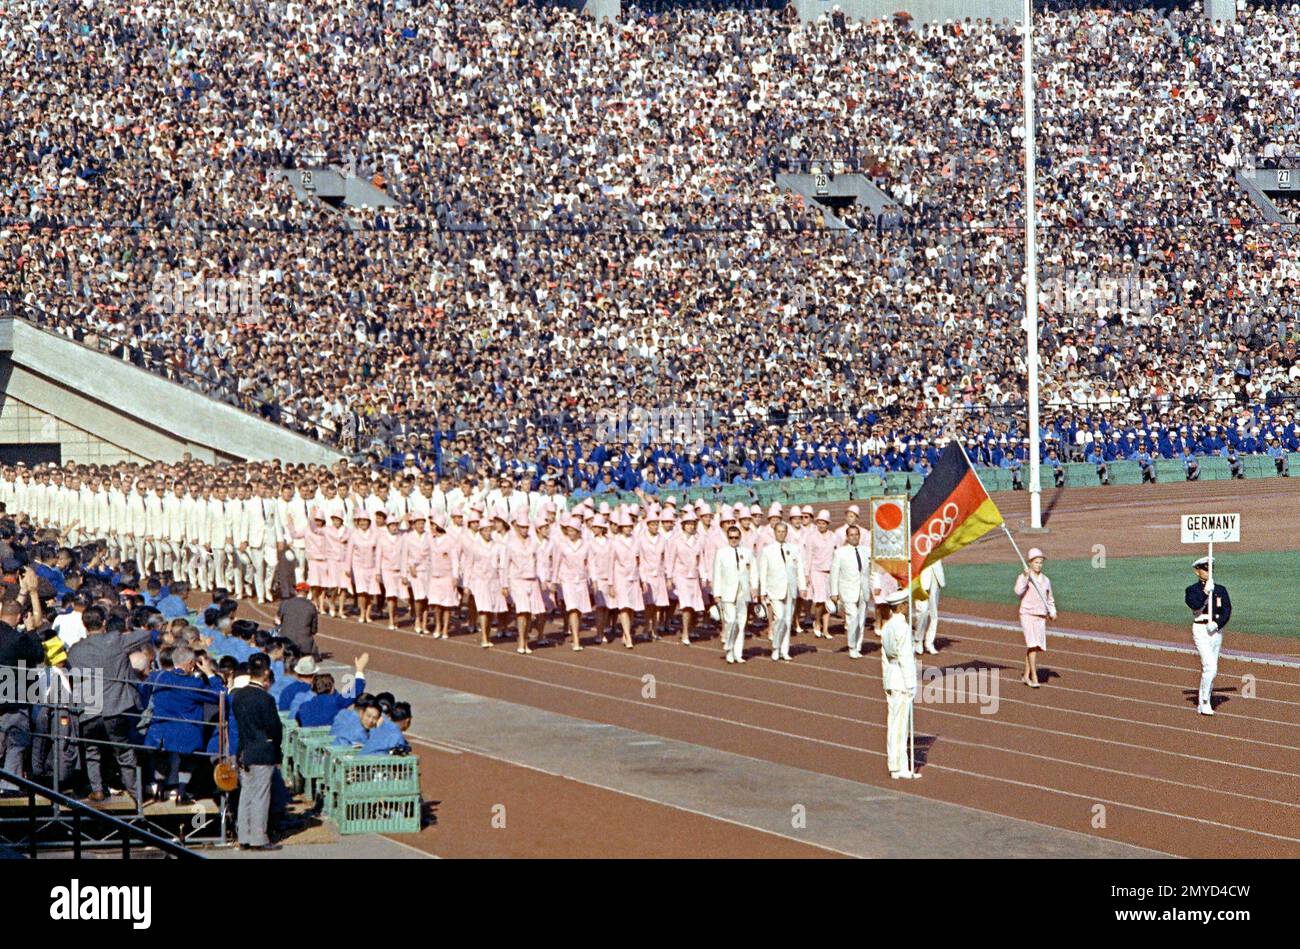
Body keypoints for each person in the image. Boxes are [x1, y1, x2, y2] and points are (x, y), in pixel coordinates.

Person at [66, 605, 154, 804]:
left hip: (89, 708)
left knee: (92, 751)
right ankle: (135, 793)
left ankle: (97, 789)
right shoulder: (115, 641)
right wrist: (127, 625)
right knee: (124, 752)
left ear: (84, 624)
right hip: (116, 706)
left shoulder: (75, 649)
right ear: (104, 622)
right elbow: (146, 635)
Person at [140, 645, 224, 803]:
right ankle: (182, 792)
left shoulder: (158, 677)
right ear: (191, 663)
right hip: (186, 735)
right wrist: (210, 674)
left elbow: (143, 692)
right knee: (189, 759)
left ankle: (159, 788)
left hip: (160, 732)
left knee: (161, 757)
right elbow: (220, 696)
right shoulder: (194, 684)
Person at [229, 653, 282, 851]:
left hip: (244, 748)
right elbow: (274, 728)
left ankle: (244, 835)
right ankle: (259, 838)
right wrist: (277, 750)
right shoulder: (265, 699)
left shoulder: (238, 695)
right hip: (262, 750)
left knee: (246, 795)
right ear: (266, 672)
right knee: (260, 795)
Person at [0, 598, 43, 794]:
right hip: (14, 700)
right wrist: (32, 631)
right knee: (16, 744)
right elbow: (37, 654)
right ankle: (9, 787)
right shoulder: (19, 639)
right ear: (18, 617)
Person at [879, 588, 919, 780]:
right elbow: (906, 657)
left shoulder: (887, 626)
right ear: (902, 607)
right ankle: (897, 766)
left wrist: (885, 678)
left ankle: (899, 764)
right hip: (901, 679)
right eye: (906, 604)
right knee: (899, 725)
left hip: (891, 677)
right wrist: (912, 683)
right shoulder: (902, 627)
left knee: (895, 723)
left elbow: (885, 656)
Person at [1185, 556, 1232, 716]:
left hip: (1216, 630)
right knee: (1210, 667)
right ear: (1197, 571)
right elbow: (1195, 604)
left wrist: (1218, 624)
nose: (1208, 572)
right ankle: (1204, 701)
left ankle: (1205, 698)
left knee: (1212, 668)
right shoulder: (1192, 590)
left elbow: (1227, 609)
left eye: (1210, 569)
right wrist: (1205, 592)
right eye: (1205, 569)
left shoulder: (1220, 590)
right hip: (1201, 629)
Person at [757, 521, 805, 662]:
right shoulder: (767, 550)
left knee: (787, 620)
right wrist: (763, 591)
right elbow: (763, 572)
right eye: (778, 531)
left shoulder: (794, 549)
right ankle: (776, 648)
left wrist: (802, 587)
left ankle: (785, 651)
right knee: (780, 619)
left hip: (790, 590)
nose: (781, 534)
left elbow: (799, 569)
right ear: (774, 532)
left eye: (783, 531)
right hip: (774, 589)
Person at [711, 524, 756, 664]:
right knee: (730, 621)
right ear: (727, 537)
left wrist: (754, 587)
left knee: (741, 623)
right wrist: (716, 593)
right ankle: (729, 649)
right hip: (727, 592)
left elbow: (754, 570)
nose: (734, 540)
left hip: (743, 592)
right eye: (731, 537)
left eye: (736, 537)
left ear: (740, 537)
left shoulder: (747, 552)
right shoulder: (721, 552)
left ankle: (738, 653)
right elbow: (717, 574)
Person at [1014, 548, 1056, 688]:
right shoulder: (1024, 577)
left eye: (1041, 562)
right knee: (1032, 644)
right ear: (1030, 563)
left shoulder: (1046, 580)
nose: (1039, 565)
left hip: (1040, 615)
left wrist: (1052, 611)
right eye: (1036, 562)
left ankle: (1025, 676)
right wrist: (1026, 578)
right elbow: (1018, 591)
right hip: (1027, 614)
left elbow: (1050, 599)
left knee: (1035, 647)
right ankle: (1034, 676)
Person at [829, 524, 871, 659]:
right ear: (847, 537)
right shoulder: (840, 552)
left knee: (861, 620)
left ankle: (858, 646)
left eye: (856, 534)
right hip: (847, 590)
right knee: (853, 618)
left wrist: (875, 586)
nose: (854, 537)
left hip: (863, 589)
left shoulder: (866, 551)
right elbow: (834, 573)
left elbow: (872, 571)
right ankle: (852, 646)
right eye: (851, 535)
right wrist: (834, 593)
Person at [276, 582, 319, 658]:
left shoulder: (285, 603)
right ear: (307, 593)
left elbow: (278, 620)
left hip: (285, 643)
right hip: (304, 646)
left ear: (296, 591)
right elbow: (314, 630)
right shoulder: (311, 606)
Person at [912, 561, 945, 655]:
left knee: (934, 613)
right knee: (922, 611)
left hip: (936, 574)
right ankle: (918, 640)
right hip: (920, 576)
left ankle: (929, 642)